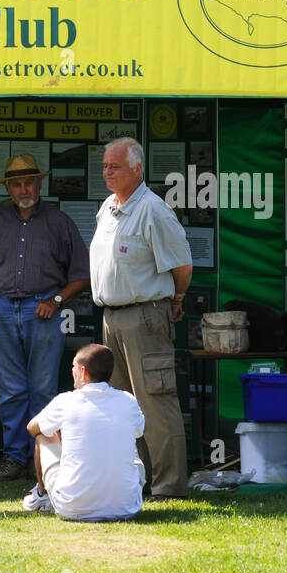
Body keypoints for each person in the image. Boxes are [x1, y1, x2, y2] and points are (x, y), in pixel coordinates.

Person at [0, 152, 90, 481]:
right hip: (0, 312)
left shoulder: (60, 222)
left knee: (43, 390)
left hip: (44, 312)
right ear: (8, 189)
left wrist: (55, 299)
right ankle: (13, 459)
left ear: (40, 183)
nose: (24, 189)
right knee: (10, 391)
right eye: (17, 184)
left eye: (29, 182)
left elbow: (82, 275)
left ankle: (45, 462)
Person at [89, 137, 192, 500]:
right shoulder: (107, 208)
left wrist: (175, 298)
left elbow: (182, 265)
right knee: (121, 405)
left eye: (114, 166)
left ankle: (168, 486)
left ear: (137, 169)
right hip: (111, 317)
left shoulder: (154, 210)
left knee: (155, 403)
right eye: (104, 166)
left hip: (145, 315)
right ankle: (139, 482)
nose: (107, 172)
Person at [22, 343, 146, 521]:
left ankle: (42, 495)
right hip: (126, 507)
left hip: (71, 507)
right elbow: (138, 432)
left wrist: (60, 433)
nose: (71, 371)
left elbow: (32, 428)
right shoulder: (128, 400)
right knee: (131, 447)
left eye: (73, 367)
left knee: (43, 435)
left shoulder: (65, 401)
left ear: (83, 372)